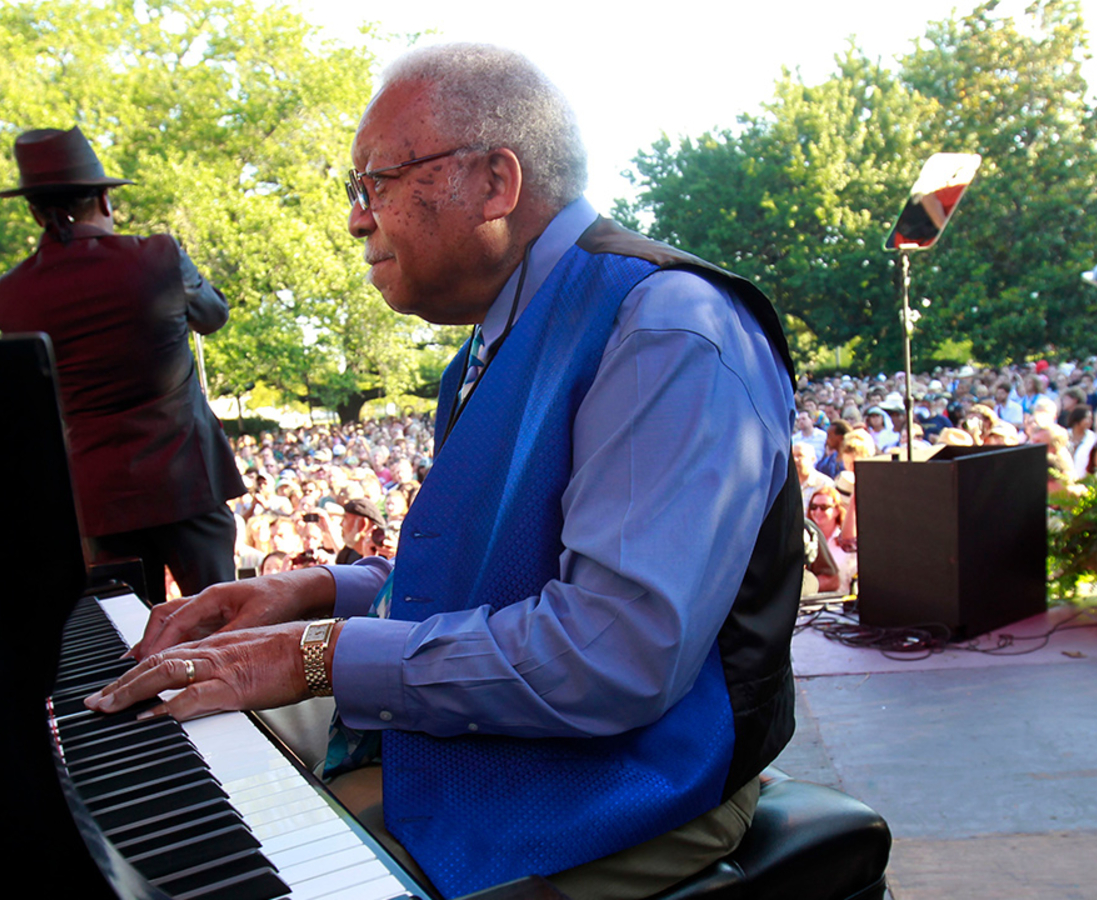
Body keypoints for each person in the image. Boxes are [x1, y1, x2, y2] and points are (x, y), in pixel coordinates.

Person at [85, 44, 802, 900]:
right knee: (182, 744)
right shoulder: (491, 344)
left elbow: (615, 655)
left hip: (641, 775)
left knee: (255, 854)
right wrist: (309, 592)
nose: (356, 220)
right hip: (548, 734)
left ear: (495, 182)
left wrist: (315, 654)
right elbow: (494, 571)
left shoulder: (664, 329)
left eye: (375, 182)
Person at [0, 126, 245, 600]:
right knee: (222, 617)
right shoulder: (158, 257)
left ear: (34, 211)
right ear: (104, 200)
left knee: (128, 629)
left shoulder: (6, 296)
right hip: (186, 480)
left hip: (100, 499)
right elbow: (213, 316)